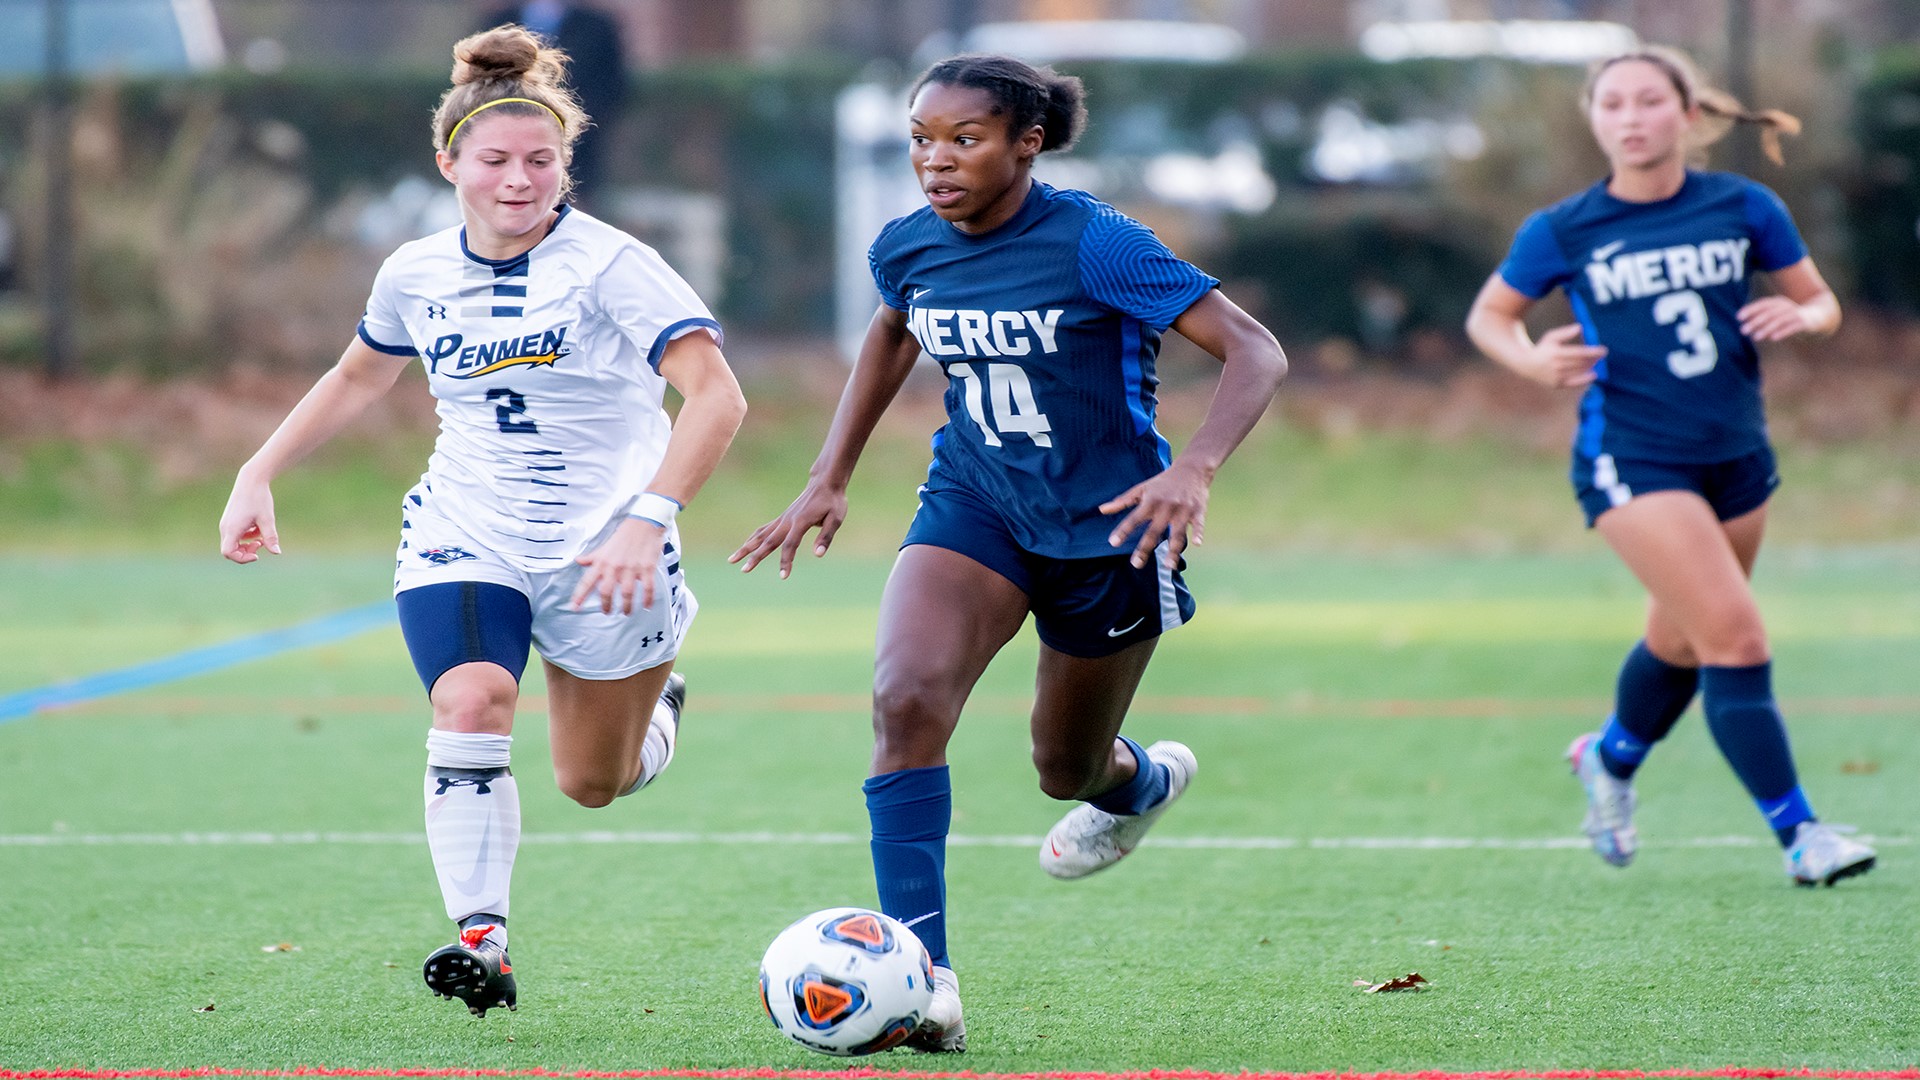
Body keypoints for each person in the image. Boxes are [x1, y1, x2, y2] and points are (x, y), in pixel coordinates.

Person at [731, 54, 1287, 1051]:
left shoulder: (1097, 243)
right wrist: (830, 472)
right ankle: (928, 978)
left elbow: (1256, 349)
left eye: (964, 140)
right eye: (920, 140)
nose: (935, 162)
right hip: (974, 503)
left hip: (1111, 529)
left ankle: (1138, 785)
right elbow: (893, 331)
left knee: (1062, 766)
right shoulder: (907, 246)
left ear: (1026, 142)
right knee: (905, 700)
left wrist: (1194, 468)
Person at [217, 25, 747, 1017]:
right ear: (448, 162)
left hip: (609, 552)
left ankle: (660, 704)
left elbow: (717, 398)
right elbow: (358, 374)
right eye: (495, 160)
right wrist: (259, 469)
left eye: (540, 161)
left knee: (594, 781)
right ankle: (483, 939)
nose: (519, 179)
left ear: (566, 165)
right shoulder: (415, 272)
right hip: (469, 525)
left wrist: (650, 517)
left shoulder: (615, 266)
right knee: (468, 703)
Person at [1464, 46, 1875, 887]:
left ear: (1688, 116)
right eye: (1613, 103)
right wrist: (1535, 361)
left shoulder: (1744, 205)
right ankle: (1802, 837)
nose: (1631, 117)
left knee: (1683, 638)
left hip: (1737, 454)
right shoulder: (1564, 228)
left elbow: (1821, 298)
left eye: (1650, 101)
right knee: (1737, 635)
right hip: (1632, 458)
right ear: (1595, 119)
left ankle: (1609, 760)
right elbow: (1490, 318)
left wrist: (1808, 319)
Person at [483, 1, 627, 206]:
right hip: (505, 135)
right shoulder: (501, 22)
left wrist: (583, 120)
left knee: (572, 207)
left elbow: (612, 84)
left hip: (578, 141)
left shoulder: (597, 25)